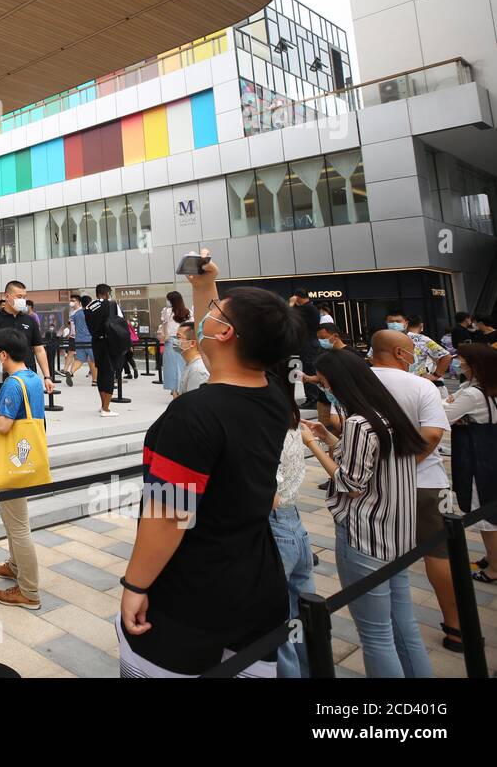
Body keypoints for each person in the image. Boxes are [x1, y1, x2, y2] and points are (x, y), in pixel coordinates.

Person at [118, 250, 299, 677]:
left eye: (215, 311)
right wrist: (204, 288)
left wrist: (136, 584)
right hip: (256, 585)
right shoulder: (271, 395)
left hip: (189, 593)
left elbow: (168, 514)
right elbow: (219, 347)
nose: (206, 315)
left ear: (224, 334)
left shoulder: (194, 414)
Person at [300, 347, 433, 677]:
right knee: (405, 628)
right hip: (398, 534)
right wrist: (329, 436)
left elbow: (351, 483)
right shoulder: (389, 414)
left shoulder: (360, 423)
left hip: (365, 535)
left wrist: (312, 444)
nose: (325, 388)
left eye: (326, 382)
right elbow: (372, 462)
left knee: (376, 636)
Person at [363, 329, 460, 652]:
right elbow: (432, 435)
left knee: (378, 551)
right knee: (437, 552)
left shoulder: (359, 382)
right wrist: (407, 465)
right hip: (424, 482)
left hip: (372, 483)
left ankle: (386, 622)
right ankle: (455, 624)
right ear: (402, 353)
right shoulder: (422, 385)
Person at [0, 326, 44, 610]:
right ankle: (15, 566)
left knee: (18, 527)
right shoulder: (32, 378)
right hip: (26, 459)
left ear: (4, 354)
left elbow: (2, 425)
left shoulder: (13, 384)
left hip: (11, 462)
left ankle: (28, 591)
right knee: (15, 521)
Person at [270, 380, 315, 678]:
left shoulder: (265, 426)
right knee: (302, 613)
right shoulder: (291, 418)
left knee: (276, 620)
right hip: (294, 520)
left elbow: (268, 492)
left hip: (274, 525)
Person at [444, 342, 497, 584]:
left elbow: (443, 415)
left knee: (486, 515)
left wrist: (452, 406)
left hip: (477, 458)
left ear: (473, 363)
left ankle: (494, 567)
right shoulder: (486, 388)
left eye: (460, 358)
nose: (456, 361)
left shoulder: (472, 394)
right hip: (490, 452)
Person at [0, 281, 52, 433]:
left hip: (28, 376)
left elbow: (39, 350)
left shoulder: (29, 320)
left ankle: (38, 444)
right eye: (19, 296)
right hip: (3, 376)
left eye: (25, 297)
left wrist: (47, 376)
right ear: (8, 297)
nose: (23, 300)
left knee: (35, 414)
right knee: (6, 416)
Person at [85, 284, 129, 418]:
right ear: (107, 293)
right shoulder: (112, 305)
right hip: (109, 342)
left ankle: (103, 404)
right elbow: (120, 323)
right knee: (110, 373)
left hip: (96, 342)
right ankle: (106, 408)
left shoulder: (88, 307)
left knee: (101, 373)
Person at [305, 324, 350, 433]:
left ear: (335, 336)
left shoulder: (350, 355)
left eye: (323, 338)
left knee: (345, 433)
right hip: (324, 401)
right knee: (326, 433)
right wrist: (307, 378)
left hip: (345, 402)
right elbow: (320, 377)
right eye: (319, 338)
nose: (321, 341)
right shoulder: (322, 352)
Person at [291, 288, 321, 408]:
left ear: (298, 297)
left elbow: (289, 315)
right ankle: (311, 397)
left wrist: (291, 304)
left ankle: (312, 398)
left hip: (308, 344)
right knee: (307, 369)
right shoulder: (308, 308)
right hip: (307, 343)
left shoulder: (307, 308)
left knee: (309, 370)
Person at [158, 291, 192, 396]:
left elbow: (164, 325)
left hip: (171, 340)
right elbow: (191, 327)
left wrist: (164, 335)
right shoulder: (187, 312)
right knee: (183, 365)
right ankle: (181, 390)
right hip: (184, 340)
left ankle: (175, 392)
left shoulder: (167, 311)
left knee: (172, 367)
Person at [404, 314, 451, 387]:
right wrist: (436, 375)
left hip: (408, 382)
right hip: (421, 382)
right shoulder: (422, 339)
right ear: (421, 325)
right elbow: (446, 356)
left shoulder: (398, 338)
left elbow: (446, 356)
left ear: (406, 324)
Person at [65, 293, 94, 386]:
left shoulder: (76, 314)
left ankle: (71, 371)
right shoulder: (91, 312)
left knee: (79, 360)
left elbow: (72, 325)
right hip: (89, 339)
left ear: (81, 303)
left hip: (78, 339)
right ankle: (95, 381)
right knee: (94, 360)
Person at [173, 321, 209, 395]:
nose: (174, 341)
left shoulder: (198, 370)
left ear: (192, 343)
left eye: (178, 337)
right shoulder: (190, 364)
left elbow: (195, 403)